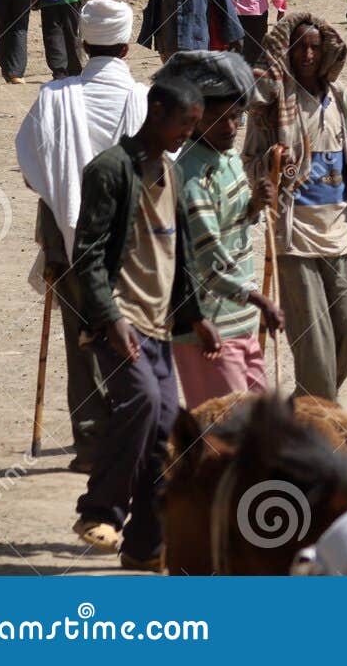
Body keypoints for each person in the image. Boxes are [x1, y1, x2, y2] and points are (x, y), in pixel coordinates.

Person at [70, 76, 218, 570]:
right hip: (119, 320)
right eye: (184, 123)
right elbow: (86, 255)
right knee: (143, 400)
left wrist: (195, 317)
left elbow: (180, 257)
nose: (187, 134)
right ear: (155, 111)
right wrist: (110, 318)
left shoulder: (170, 175)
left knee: (164, 434)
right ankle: (99, 512)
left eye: (195, 125)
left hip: (156, 325)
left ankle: (145, 545)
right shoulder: (111, 170)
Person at [15, 0, 146, 471]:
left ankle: (90, 444)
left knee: (81, 340)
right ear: (127, 46)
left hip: (66, 243)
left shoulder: (54, 98)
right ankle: (128, 438)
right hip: (132, 246)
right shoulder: (145, 99)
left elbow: (32, 173)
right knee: (131, 335)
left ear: (83, 42)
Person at [244, 13, 347, 400]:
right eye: (300, 48)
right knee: (313, 339)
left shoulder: (342, 97)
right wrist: (272, 161)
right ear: (286, 52)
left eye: (316, 47)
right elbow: (249, 160)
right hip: (294, 236)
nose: (308, 55)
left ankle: (308, 404)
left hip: (341, 231)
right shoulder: (272, 105)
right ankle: (320, 422)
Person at [157, 51, 283, 408]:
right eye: (219, 119)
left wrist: (254, 205)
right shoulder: (190, 177)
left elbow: (231, 221)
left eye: (235, 118)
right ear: (194, 120)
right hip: (207, 328)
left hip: (239, 318)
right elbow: (208, 260)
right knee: (224, 436)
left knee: (256, 426)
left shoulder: (227, 158)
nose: (230, 128)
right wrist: (260, 300)